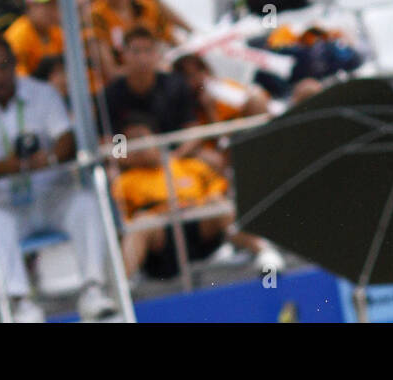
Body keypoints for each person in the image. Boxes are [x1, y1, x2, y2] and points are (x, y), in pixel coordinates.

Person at [0, 33, 118, 322]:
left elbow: (67, 139)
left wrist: (50, 158)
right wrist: (13, 166)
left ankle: (93, 289)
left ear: (14, 64)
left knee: (86, 202)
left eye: (3, 67)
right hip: (6, 202)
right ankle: (19, 302)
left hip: (50, 193)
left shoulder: (42, 93)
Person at [111, 117, 283, 279]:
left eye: (141, 137)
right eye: (130, 141)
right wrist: (161, 213)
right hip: (162, 240)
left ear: (155, 138)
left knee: (217, 205)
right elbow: (123, 222)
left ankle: (264, 252)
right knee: (142, 222)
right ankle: (123, 283)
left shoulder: (190, 165)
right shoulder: (124, 182)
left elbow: (218, 193)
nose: (138, 146)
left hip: (199, 228)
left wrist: (193, 205)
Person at [87, 0, 189, 85]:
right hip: (122, 86)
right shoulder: (96, 16)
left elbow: (173, 42)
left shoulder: (147, 5)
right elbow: (110, 71)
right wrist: (146, 69)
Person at [100, 27, 198, 141]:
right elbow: (107, 138)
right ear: (123, 55)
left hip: (174, 153)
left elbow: (192, 129)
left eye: (148, 51)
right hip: (129, 153)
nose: (142, 58)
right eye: (136, 51)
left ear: (157, 54)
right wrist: (124, 157)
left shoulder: (175, 85)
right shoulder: (111, 93)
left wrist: (173, 156)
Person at [4, 0, 65, 77]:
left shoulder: (57, 32)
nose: (52, 10)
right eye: (46, 4)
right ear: (30, 6)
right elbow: (19, 81)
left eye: (55, 4)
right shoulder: (18, 37)